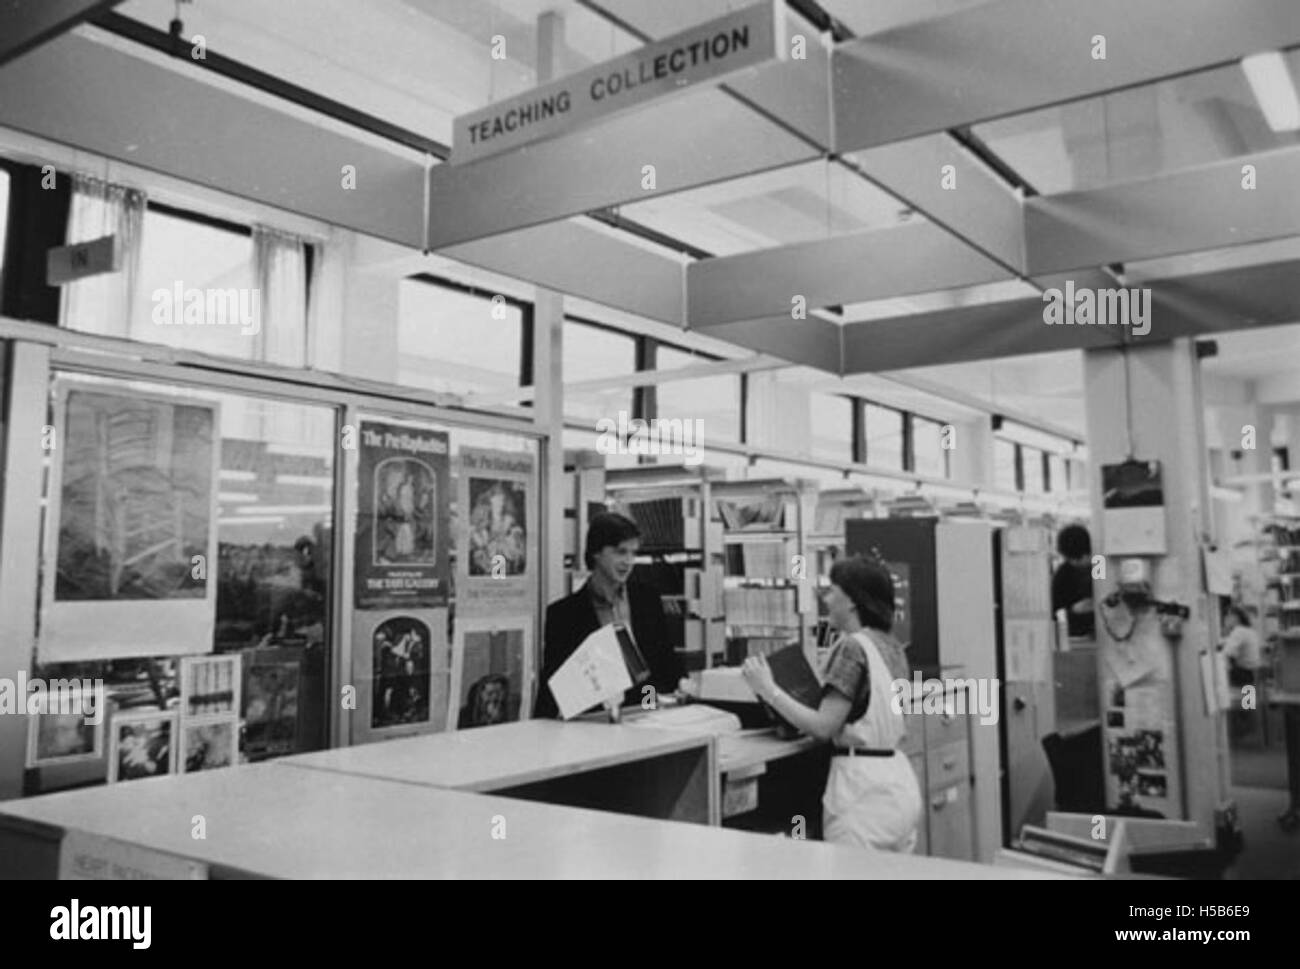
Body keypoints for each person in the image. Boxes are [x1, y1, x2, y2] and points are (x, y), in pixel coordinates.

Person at [741, 555, 922, 852]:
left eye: (832, 590)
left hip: (862, 792)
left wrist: (768, 688)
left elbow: (824, 727)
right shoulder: (891, 645)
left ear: (852, 601)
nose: (826, 598)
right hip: (898, 785)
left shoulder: (852, 647)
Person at [534, 512, 687, 719]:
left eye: (633, 553)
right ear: (596, 552)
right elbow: (554, 682)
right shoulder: (564, 614)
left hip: (646, 709)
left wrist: (676, 695)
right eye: (620, 552)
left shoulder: (647, 599)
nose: (629, 561)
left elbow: (664, 659)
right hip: (592, 723)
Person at [1052, 523, 1096, 639]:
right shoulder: (1064, 574)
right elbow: (1055, 613)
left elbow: (1102, 592)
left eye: (1087, 556)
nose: (1083, 561)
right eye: (1075, 559)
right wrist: (1074, 610)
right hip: (1075, 636)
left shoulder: (1098, 564)